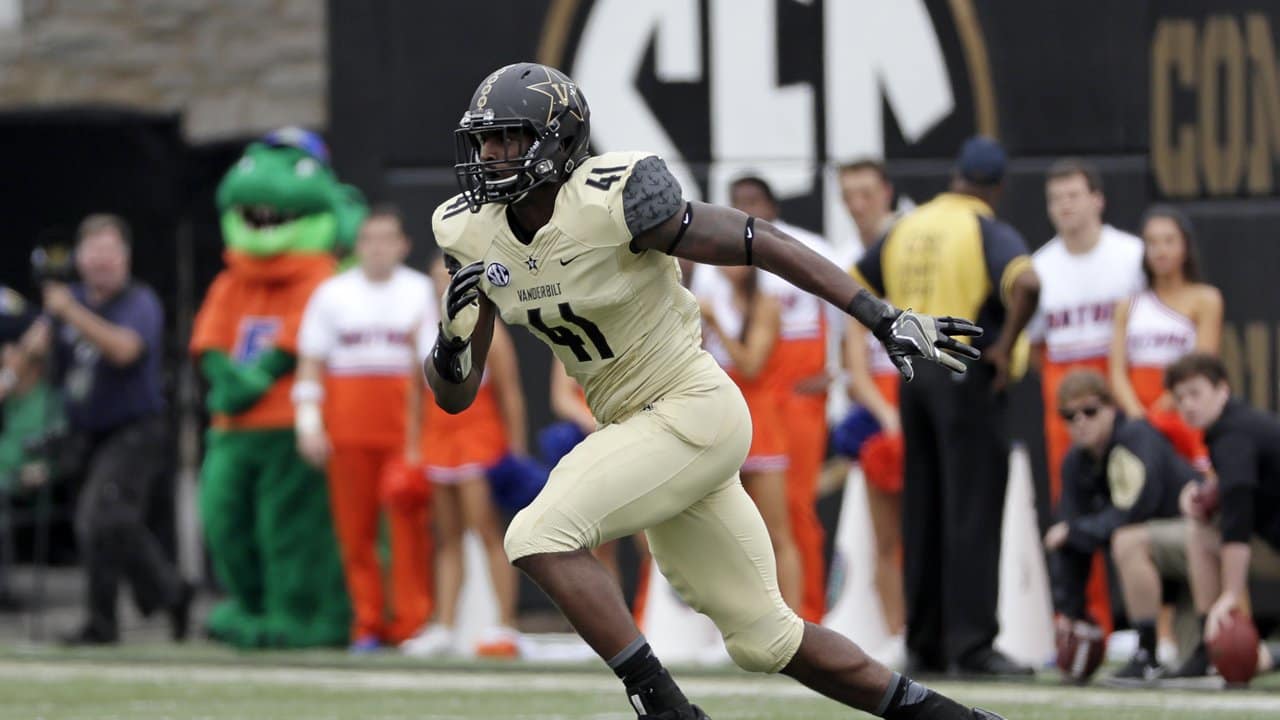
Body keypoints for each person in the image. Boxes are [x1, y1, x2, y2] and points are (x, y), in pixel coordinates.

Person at [427, 61, 999, 720]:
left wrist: (878, 314)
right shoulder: (468, 230)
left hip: (690, 407)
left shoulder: (614, 197)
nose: (492, 155)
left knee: (537, 534)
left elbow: (760, 243)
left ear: (558, 141)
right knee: (768, 639)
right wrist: (447, 343)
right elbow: (454, 394)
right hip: (637, 430)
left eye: (511, 138)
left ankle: (665, 708)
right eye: (486, 140)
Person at [854, 136, 1041, 677]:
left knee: (925, 508)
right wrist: (1005, 347)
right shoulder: (982, 226)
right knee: (972, 511)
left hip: (915, 375)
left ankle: (926, 642)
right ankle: (973, 645)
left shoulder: (908, 226)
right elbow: (1026, 281)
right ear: (996, 187)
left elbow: (861, 278)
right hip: (966, 370)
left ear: (956, 174)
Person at [22, 214, 191, 645]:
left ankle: (110, 619)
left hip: (136, 429)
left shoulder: (139, 302)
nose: (102, 263)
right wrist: (34, 346)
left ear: (125, 258)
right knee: (97, 523)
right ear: (79, 259)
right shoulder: (68, 300)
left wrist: (70, 314)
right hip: (87, 433)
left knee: (105, 516)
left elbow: (124, 350)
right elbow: (31, 356)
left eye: (110, 253)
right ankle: (166, 593)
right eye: (94, 254)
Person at [294, 206, 434, 651]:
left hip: (403, 434)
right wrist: (309, 425)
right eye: (369, 239)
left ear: (403, 245)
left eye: (386, 238)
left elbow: (434, 367)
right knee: (356, 534)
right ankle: (368, 624)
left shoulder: (420, 292)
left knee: (409, 530)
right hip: (348, 432)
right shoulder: (331, 294)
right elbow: (310, 366)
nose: (377, 248)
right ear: (358, 246)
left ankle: (412, 624)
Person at [1029, 159, 1144, 634]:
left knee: (1139, 499)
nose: (1065, 207)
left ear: (1098, 198)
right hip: (1067, 402)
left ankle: (1148, 619)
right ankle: (1089, 623)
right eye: (1056, 199)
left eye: (1074, 195)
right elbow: (1037, 346)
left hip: (1121, 391)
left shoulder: (1131, 255)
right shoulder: (1039, 266)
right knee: (1073, 509)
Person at [729, 175, 844, 623]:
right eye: (739, 202)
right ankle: (760, 617)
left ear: (774, 204)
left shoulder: (809, 247)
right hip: (744, 402)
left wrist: (832, 374)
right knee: (743, 521)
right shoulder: (723, 256)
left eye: (755, 200)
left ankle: (809, 613)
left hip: (797, 400)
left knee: (796, 510)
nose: (747, 208)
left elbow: (842, 308)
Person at [401, 253, 526, 659]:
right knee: (447, 537)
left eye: (449, 275)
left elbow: (510, 394)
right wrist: (414, 446)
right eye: (436, 275)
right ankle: (445, 626)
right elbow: (414, 396)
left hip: (479, 439)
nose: (443, 282)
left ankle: (505, 625)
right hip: (438, 442)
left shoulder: (488, 326)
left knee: (488, 532)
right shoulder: (420, 327)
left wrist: (515, 452)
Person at [1040, 369, 1195, 684]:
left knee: (1127, 540)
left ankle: (1147, 654)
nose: (1080, 421)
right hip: (1163, 558)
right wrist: (1072, 612)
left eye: (1090, 411)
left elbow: (1136, 510)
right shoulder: (1075, 462)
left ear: (1111, 407)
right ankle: (1157, 652)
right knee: (1193, 670)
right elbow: (1070, 536)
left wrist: (1078, 532)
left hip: (1196, 546)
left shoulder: (1135, 437)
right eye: (1069, 415)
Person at [1165, 353, 1280, 681]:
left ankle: (1265, 656)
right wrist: (1204, 493)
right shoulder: (1232, 427)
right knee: (1200, 528)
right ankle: (1206, 644)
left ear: (1222, 390)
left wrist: (1230, 594)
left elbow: (1238, 516)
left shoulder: (1233, 434)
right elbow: (1236, 491)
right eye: (1180, 397)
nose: (1187, 404)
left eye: (1195, 393)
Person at [696, 263, 800, 611]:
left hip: (762, 427)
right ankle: (736, 621)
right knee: (726, 537)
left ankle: (798, 623)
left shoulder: (766, 304)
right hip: (723, 425)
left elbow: (752, 365)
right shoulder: (709, 302)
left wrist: (715, 325)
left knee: (777, 536)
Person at [837, 159, 905, 641]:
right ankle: (896, 632)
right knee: (886, 537)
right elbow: (855, 365)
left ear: (886, 193)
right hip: (885, 410)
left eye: (866, 192)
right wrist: (887, 417)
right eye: (848, 195)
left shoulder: (913, 249)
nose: (857, 204)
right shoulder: (852, 268)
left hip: (919, 403)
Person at [1109, 206, 1221, 467]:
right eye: (1152, 243)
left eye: (1169, 241)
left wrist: (1165, 407)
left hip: (1186, 410)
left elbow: (1203, 362)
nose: (1161, 250)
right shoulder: (1128, 305)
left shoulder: (1205, 299)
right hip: (1137, 415)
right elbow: (1116, 371)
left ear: (1185, 246)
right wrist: (1138, 416)